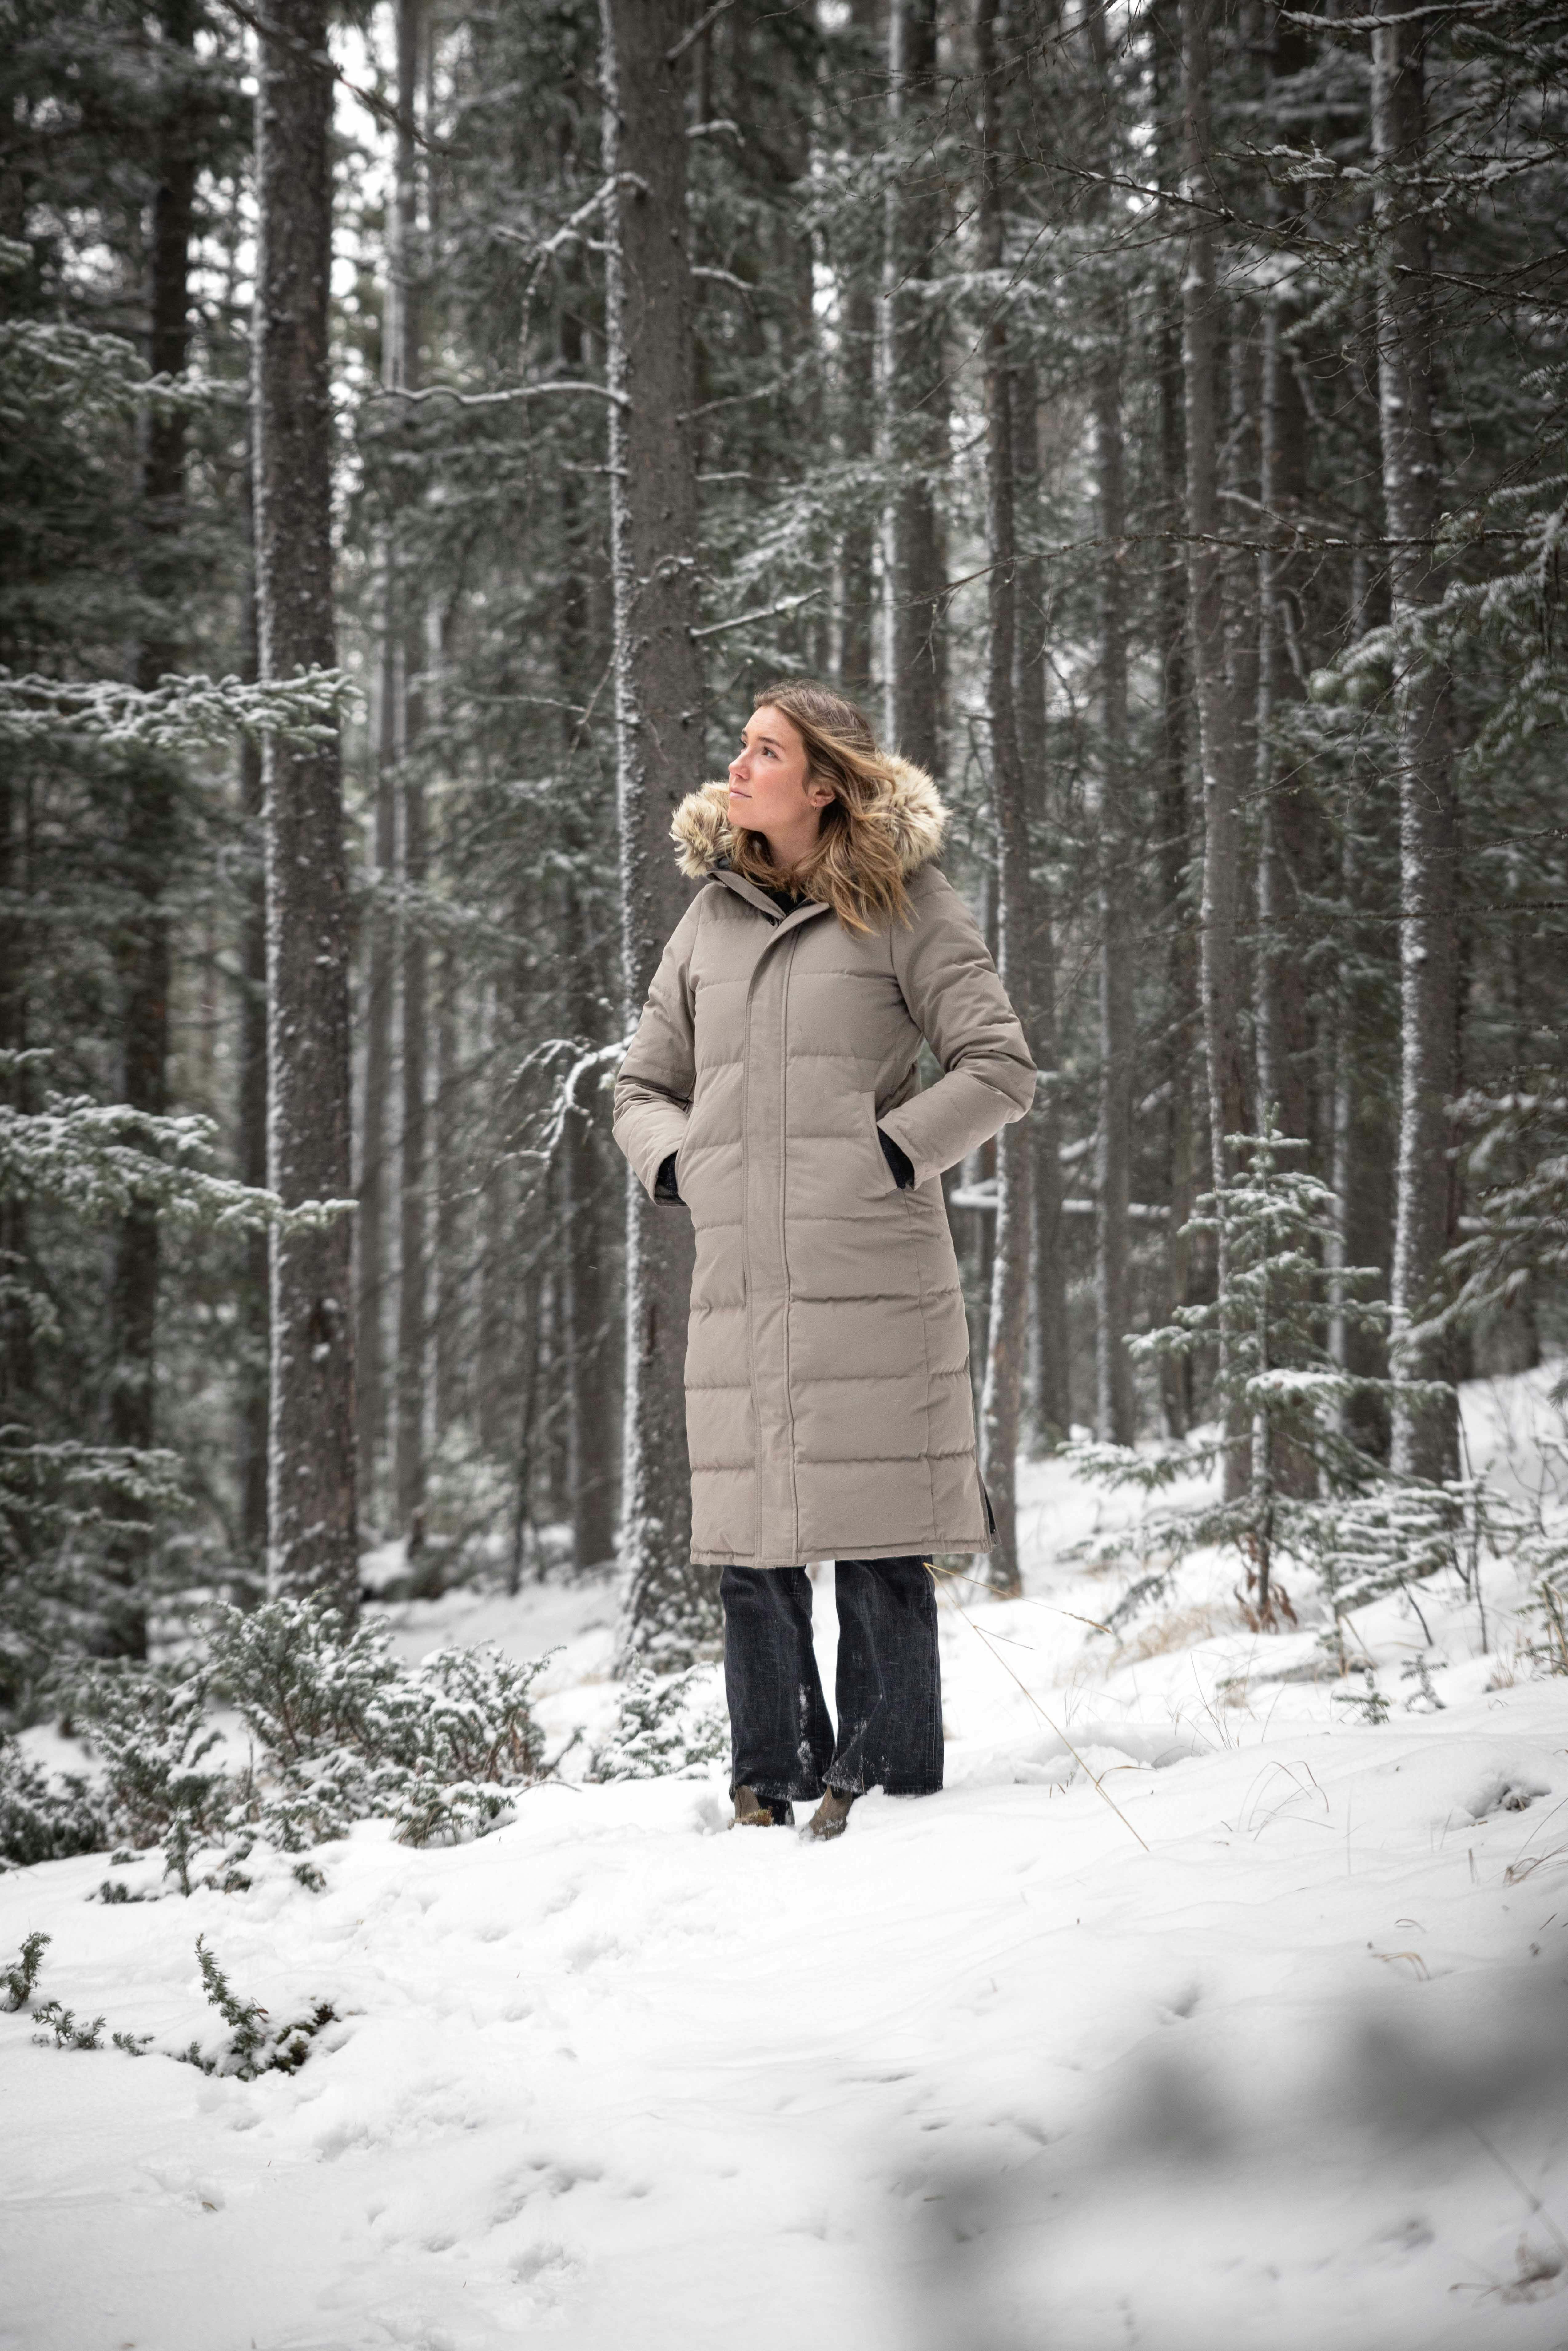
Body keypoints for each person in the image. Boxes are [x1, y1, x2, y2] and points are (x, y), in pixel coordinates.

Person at [612, 681, 1035, 1840]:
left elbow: (997, 1065)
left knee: (881, 1535)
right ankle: (770, 1784)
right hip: (740, 1278)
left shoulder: (907, 904)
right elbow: (642, 1085)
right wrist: (677, 1166)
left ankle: (889, 1788)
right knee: (754, 1542)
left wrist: (889, 1154)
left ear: (825, 783)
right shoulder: (707, 919)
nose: (736, 768)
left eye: (763, 751)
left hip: (874, 1267)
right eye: (740, 749)